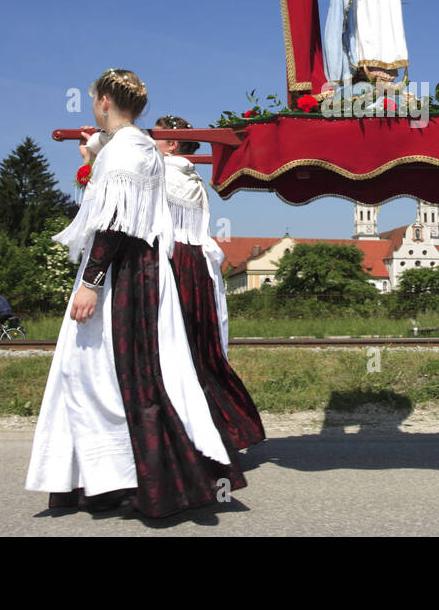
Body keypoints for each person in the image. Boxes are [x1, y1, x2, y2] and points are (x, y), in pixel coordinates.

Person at [26, 68, 245, 517]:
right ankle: (118, 479)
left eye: (94, 99)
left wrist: (90, 283)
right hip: (142, 272)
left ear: (105, 101)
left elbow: (111, 224)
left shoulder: (127, 150)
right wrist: (94, 150)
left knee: (98, 376)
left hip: (122, 277)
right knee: (125, 377)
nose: (93, 106)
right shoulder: (139, 146)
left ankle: (117, 481)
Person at [153, 115, 265, 450]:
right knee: (200, 352)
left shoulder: (163, 175)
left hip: (174, 265)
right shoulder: (193, 179)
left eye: (156, 139)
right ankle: (217, 428)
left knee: (170, 352)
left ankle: (182, 438)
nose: (149, 146)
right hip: (198, 267)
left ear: (171, 144)